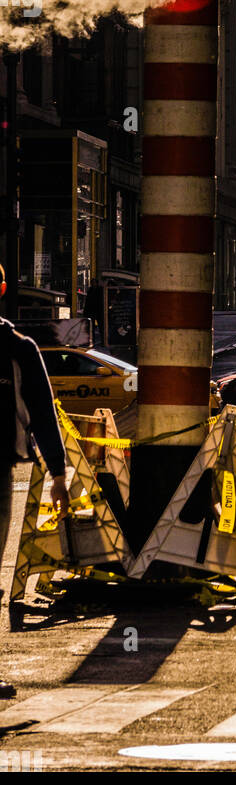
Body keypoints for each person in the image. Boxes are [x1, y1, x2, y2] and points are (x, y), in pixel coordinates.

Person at [0, 263, 70, 698]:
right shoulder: (18, 348)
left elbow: (44, 414)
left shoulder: (19, 349)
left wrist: (59, 471)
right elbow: (43, 415)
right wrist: (58, 474)